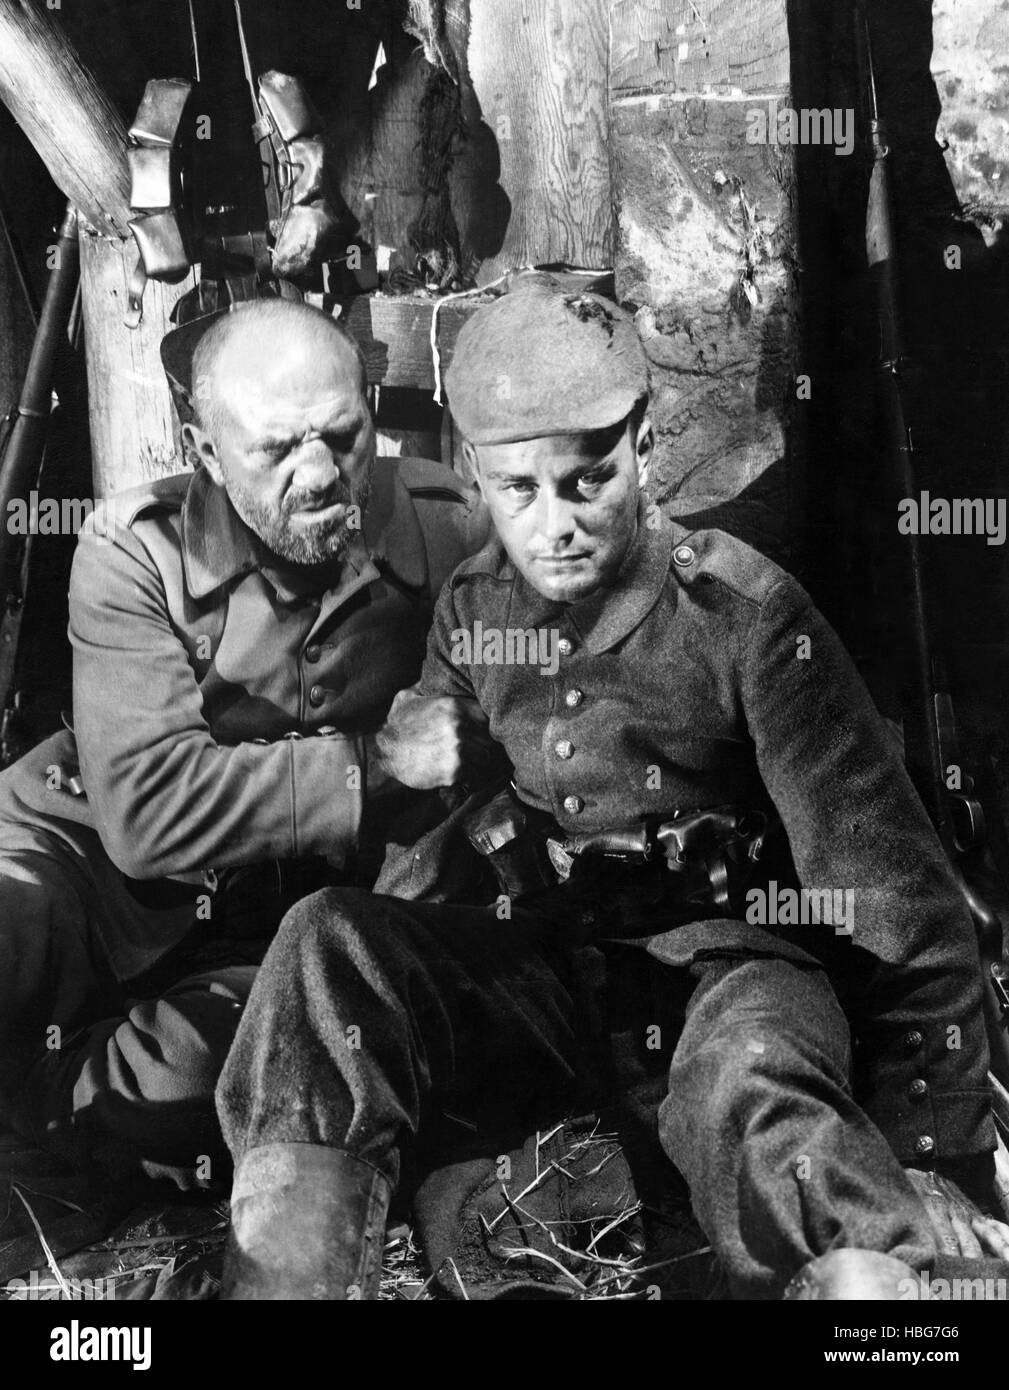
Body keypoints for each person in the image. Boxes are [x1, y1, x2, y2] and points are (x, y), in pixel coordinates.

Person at [216, 278, 1009, 1300]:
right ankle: (287, 1283)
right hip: (564, 978)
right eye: (516, 491)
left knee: (750, 1076)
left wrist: (934, 1139)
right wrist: (405, 762)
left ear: (645, 439)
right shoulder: (475, 610)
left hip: (732, 969)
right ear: (476, 474)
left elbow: (893, 891)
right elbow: (430, 790)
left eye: (587, 480)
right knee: (324, 942)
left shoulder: (743, 619)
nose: (554, 526)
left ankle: (878, 1282)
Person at [0, 298, 486, 1189]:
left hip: (275, 925)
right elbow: (145, 817)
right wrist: (374, 764)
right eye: (274, 448)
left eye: (343, 434)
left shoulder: (451, 526)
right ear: (205, 453)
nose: (320, 474)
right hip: (84, 862)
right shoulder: (132, 550)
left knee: (245, 1069)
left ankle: (51, 1115)